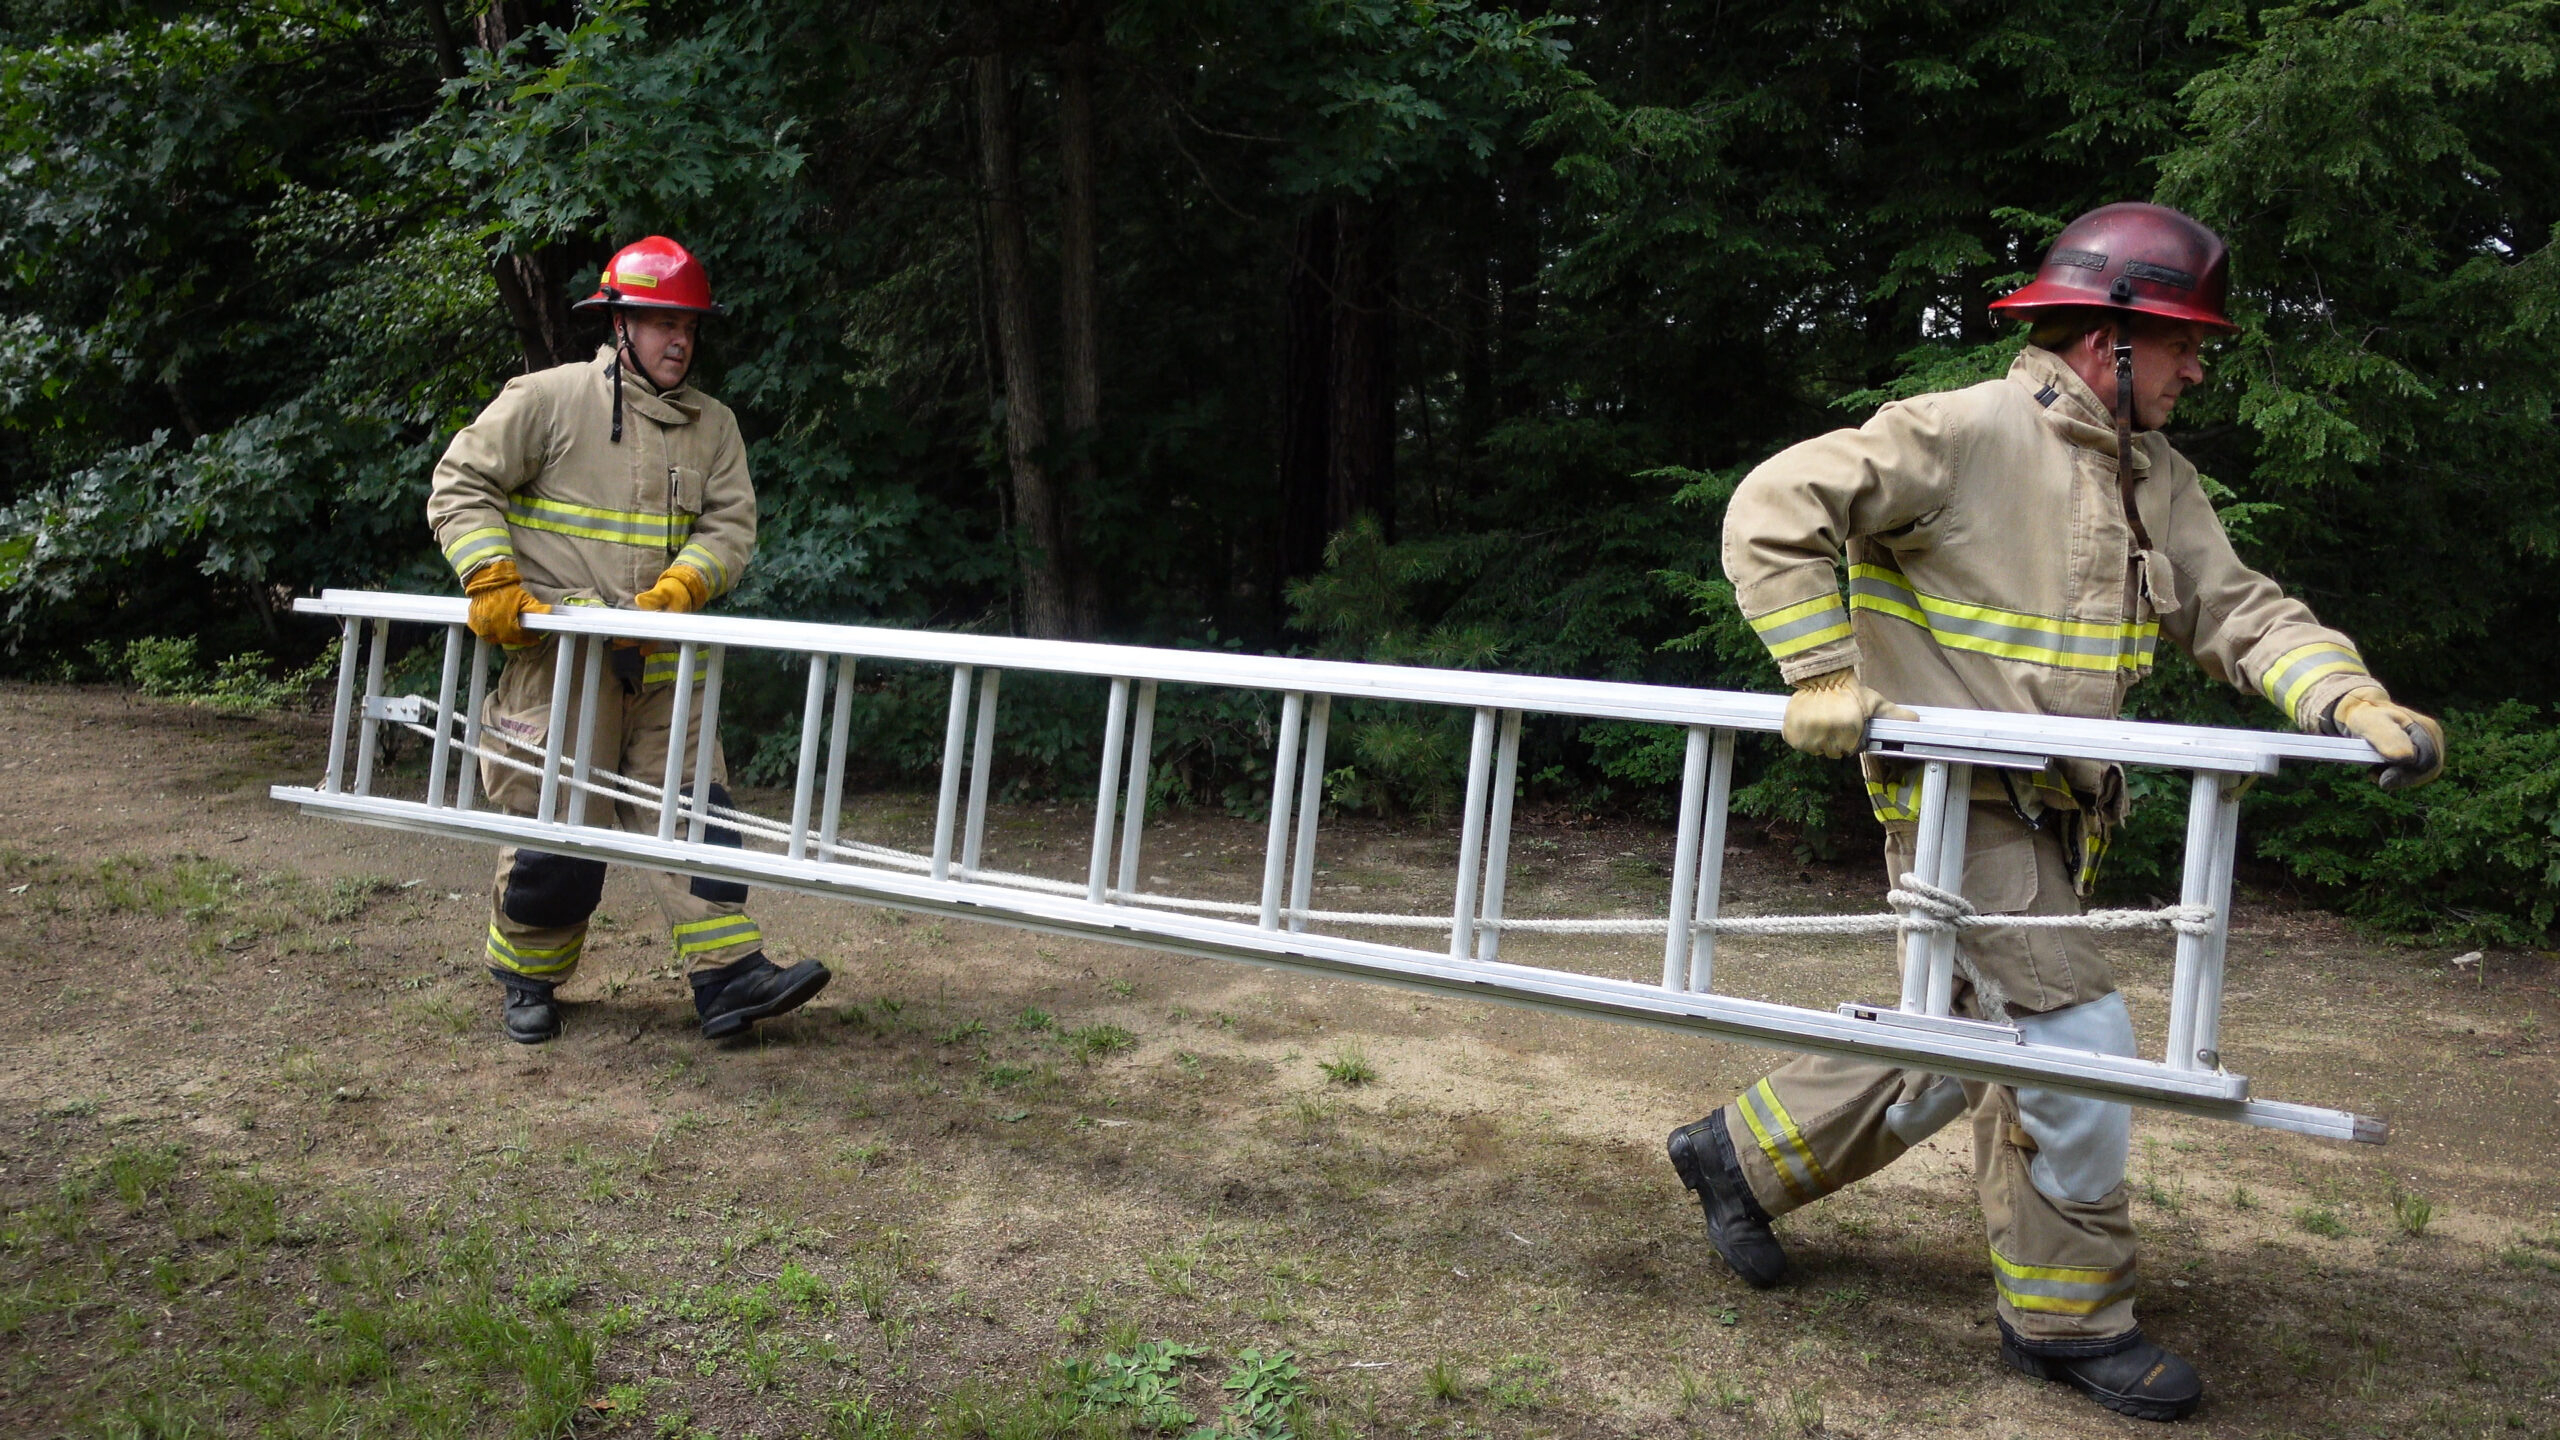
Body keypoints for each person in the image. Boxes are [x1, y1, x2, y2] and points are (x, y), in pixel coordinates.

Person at [1665, 203, 2443, 1422]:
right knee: (2078, 1046)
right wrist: (1821, 671)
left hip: (2055, 816)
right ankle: (2067, 1318)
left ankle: (1739, 1157)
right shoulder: (1965, 430)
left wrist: (2346, 696)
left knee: (1967, 1042)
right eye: (2186, 344)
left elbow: (2238, 613)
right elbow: (1772, 506)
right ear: (2110, 340)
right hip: (1955, 803)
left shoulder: (2153, 479)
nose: (2198, 368)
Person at [426, 235, 831, 1045]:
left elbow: (729, 526)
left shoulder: (714, 427)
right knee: (556, 830)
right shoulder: (548, 400)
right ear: (618, 325)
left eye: (688, 326)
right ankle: (528, 978)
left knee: (696, 815)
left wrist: (687, 584)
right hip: (562, 663)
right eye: (657, 322)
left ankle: (728, 977)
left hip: (664, 662)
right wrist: (491, 578)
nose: (677, 340)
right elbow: (459, 483)